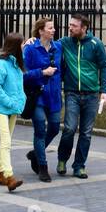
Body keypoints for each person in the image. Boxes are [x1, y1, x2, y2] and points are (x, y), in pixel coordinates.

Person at [53, 13, 106, 179]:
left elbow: (104, 67)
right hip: (72, 93)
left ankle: (79, 166)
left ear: (84, 28)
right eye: (70, 25)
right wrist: (31, 41)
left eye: (74, 26)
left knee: (86, 132)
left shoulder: (95, 44)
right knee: (69, 128)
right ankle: (62, 159)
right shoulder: (65, 42)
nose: (70, 28)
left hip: (92, 95)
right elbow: (47, 44)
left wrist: (104, 91)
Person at [22, 17, 63, 182]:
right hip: (37, 96)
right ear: (41, 31)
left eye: (53, 28)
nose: (53, 30)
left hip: (54, 96)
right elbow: (23, 74)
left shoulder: (58, 47)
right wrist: (42, 72)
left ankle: (35, 154)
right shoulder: (31, 48)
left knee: (54, 128)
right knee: (39, 130)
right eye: (50, 28)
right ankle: (43, 166)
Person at [0, 32, 26, 191]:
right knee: (6, 141)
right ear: (16, 46)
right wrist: (10, 102)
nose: (24, 46)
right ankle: (9, 176)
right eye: (22, 44)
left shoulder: (16, 64)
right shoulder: (2, 64)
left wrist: (21, 100)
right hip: (2, 108)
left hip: (13, 107)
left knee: (6, 140)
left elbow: (18, 87)